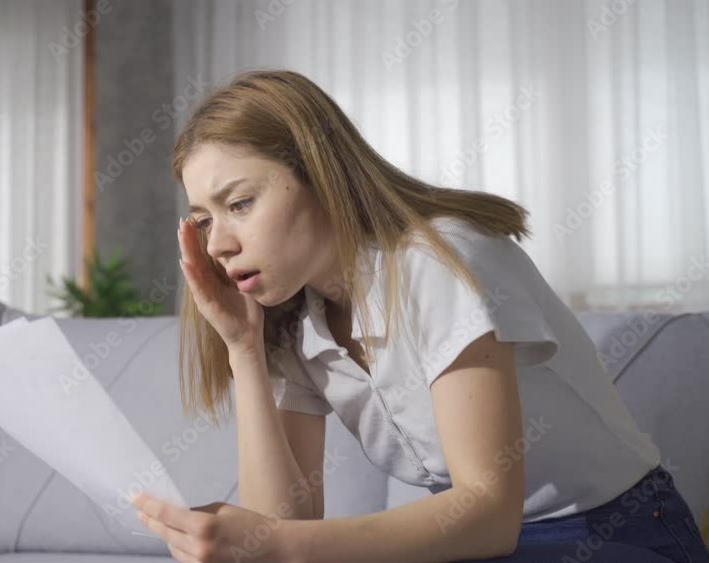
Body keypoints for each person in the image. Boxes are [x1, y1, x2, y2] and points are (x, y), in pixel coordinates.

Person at [128, 69, 709, 563]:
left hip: (611, 532)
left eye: (239, 204)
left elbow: (488, 511)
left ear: (319, 175)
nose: (218, 244)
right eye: (203, 221)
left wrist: (281, 545)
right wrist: (243, 350)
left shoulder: (440, 261)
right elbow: (280, 522)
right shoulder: (293, 315)